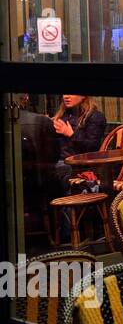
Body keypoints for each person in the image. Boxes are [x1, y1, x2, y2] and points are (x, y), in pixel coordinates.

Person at [18, 94, 58, 239]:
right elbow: (53, 157)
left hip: (21, 184)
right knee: (65, 173)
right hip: (38, 184)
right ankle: (62, 231)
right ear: (25, 98)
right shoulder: (41, 121)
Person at [52, 94, 107, 194]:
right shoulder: (63, 116)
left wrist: (71, 134)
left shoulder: (95, 117)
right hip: (60, 161)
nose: (66, 96)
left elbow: (92, 147)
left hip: (81, 165)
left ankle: (65, 208)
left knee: (56, 170)